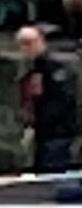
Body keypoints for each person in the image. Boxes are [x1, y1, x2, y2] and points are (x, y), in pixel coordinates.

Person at [22, 23, 80, 186]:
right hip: (44, 131)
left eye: (29, 43)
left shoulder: (53, 66)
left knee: (57, 176)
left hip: (57, 131)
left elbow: (63, 99)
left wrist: (43, 120)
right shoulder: (37, 66)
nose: (25, 49)